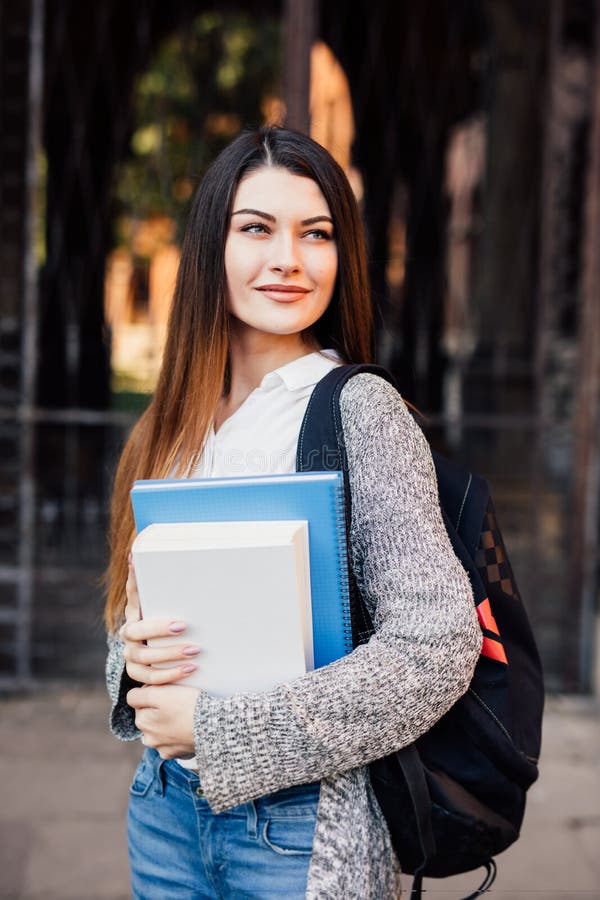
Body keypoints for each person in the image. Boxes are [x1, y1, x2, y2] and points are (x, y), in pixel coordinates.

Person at [105, 125, 482, 900]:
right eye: (256, 229)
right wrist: (133, 666)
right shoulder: (169, 422)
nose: (289, 259)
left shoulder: (360, 410)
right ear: (213, 246)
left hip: (299, 830)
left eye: (317, 234)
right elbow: (126, 615)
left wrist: (219, 731)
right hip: (165, 811)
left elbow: (438, 643)